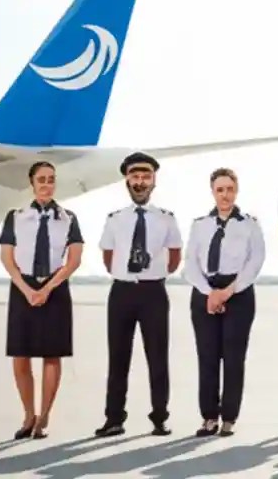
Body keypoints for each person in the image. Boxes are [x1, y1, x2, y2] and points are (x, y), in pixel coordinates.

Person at [94, 151, 181, 438]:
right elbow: (108, 256)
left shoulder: (166, 218)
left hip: (153, 292)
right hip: (122, 292)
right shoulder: (115, 219)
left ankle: (160, 417)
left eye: (146, 176)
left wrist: (153, 274)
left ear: (154, 181)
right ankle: (114, 418)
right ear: (127, 181)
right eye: (135, 176)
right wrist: (125, 274)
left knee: (158, 358)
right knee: (118, 358)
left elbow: (174, 256)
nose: (140, 182)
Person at [0, 160, 84, 440]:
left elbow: (73, 260)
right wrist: (27, 289)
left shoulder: (68, 218)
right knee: (20, 355)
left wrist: (47, 289)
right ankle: (28, 415)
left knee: (52, 354)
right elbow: (7, 258)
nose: (47, 184)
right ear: (32, 183)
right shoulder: (16, 216)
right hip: (22, 287)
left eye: (51, 179)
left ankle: (44, 415)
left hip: (55, 288)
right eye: (42, 180)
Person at [184, 168, 266, 438]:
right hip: (205, 292)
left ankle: (229, 417)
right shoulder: (200, 225)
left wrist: (228, 291)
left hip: (238, 294)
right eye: (220, 190)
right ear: (213, 192)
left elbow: (255, 261)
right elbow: (190, 264)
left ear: (236, 191)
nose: (225, 195)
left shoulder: (250, 224)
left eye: (230, 189)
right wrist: (210, 293)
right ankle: (209, 416)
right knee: (207, 356)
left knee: (233, 358)